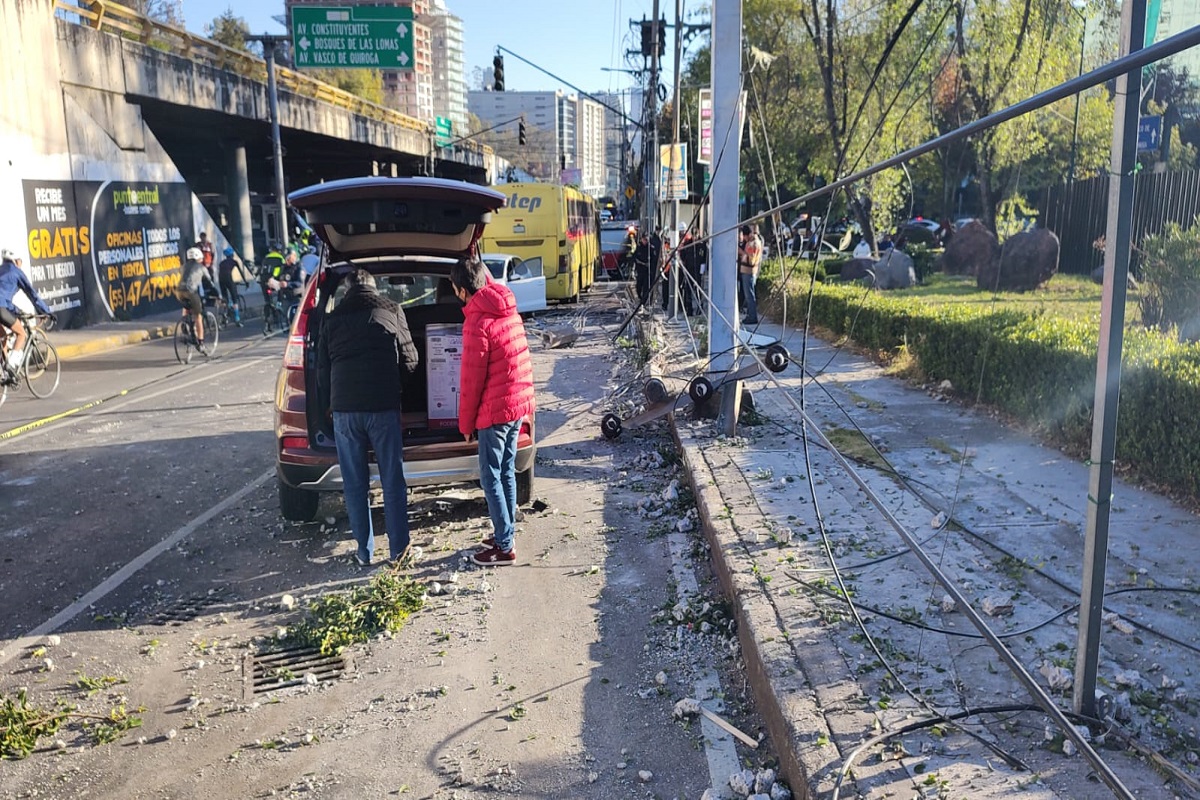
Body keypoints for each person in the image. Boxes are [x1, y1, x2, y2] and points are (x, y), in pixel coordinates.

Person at [317, 268, 419, 567]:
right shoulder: (392, 309)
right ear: (374, 288)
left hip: (345, 412)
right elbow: (410, 361)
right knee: (392, 480)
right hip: (382, 408)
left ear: (347, 290)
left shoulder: (331, 319)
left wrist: (330, 403)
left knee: (354, 483)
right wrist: (402, 392)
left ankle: (364, 552)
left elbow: (322, 372)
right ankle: (398, 552)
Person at [450, 257, 535, 567]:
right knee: (507, 471)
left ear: (461, 290)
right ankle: (505, 531)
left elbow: (471, 380)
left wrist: (465, 423)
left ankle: (504, 546)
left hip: (495, 411)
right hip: (516, 406)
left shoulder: (476, 320)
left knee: (490, 478)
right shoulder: (508, 310)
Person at [0, 249, 53, 376]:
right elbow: (32, 293)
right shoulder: (16, 272)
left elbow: (4, 299)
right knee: (22, 334)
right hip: (1, 308)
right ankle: (10, 366)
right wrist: (46, 311)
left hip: (3, 307)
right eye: (20, 262)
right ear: (16, 261)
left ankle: (4, 372)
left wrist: (17, 311)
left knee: (3, 338)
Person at [175, 247, 217, 354]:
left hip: (179, 291)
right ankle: (201, 343)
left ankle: (185, 326)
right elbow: (209, 282)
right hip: (191, 291)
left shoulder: (183, 267)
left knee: (186, 307)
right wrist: (216, 294)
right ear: (199, 257)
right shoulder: (202, 268)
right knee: (198, 316)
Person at [738, 223, 763, 325]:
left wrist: (741, 253)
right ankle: (750, 315)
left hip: (749, 271)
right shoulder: (752, 242)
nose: (743, 239)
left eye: (744, 236)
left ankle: (752, 316)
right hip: (748, 271)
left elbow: (751, 260)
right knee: (749, 295)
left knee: (749, 296)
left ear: (747, 235)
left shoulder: (753, 244)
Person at [217, 247, 244, 327]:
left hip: (221, 280)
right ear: (232, 255)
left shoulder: (221, 263)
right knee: (234, 298)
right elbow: (241, 272)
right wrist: (246, 281)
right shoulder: (234, 262)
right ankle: (237, 319)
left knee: (225, 298)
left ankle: (224, 313)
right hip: (229, 279)